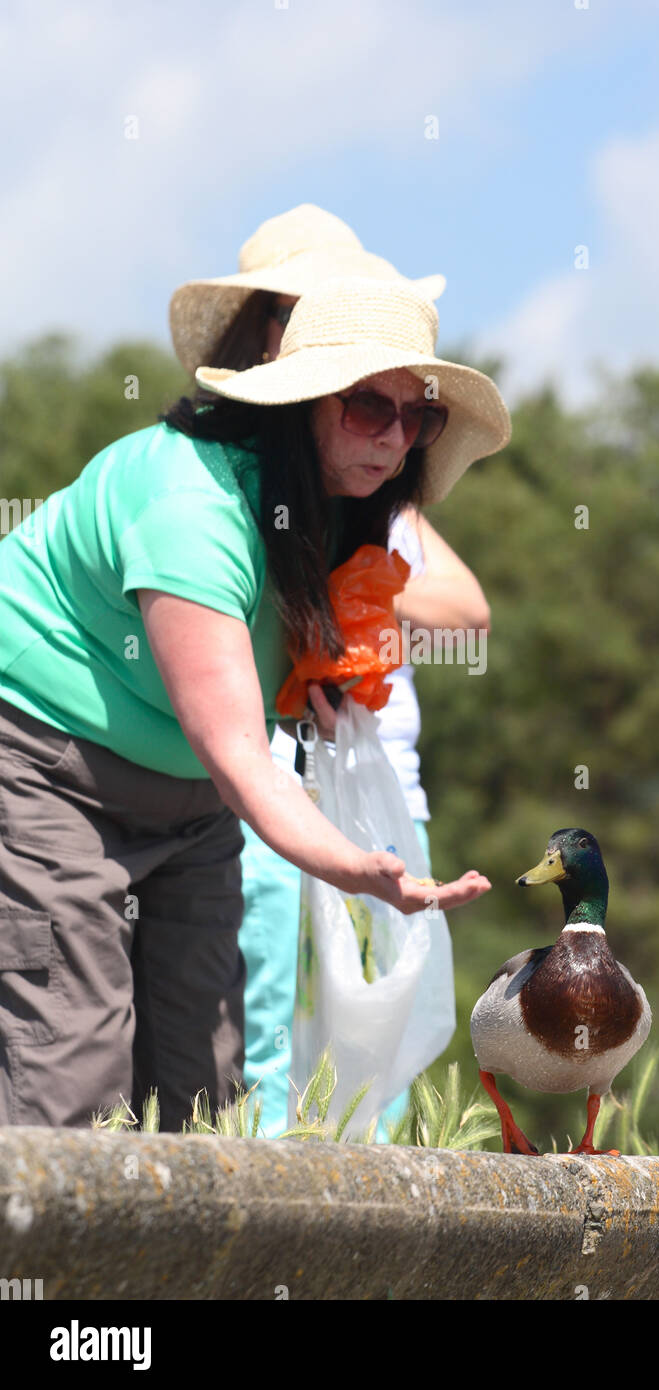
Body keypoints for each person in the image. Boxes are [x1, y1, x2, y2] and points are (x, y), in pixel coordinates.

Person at [0, 273, 509, 1129]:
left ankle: (172, 1269)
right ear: (299, 402)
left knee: (206, 1096)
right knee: (73, 1078)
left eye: (414, 416)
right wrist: (351, 865)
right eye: (364, 407)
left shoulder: (345, 516)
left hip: (192, 801)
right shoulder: (188, 505)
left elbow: (269, 724)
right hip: (48, 766)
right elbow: (240, 754)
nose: (392, 437)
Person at [169, 206, 492, 1135]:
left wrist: (349, 598)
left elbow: (466, 608)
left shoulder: (375, 477)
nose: (393, 428)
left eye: (412, 413)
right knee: (264, 1011)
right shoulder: (227, 483)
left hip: (373, 777)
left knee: (374, 1029)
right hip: (265, 775)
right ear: (270, 336)